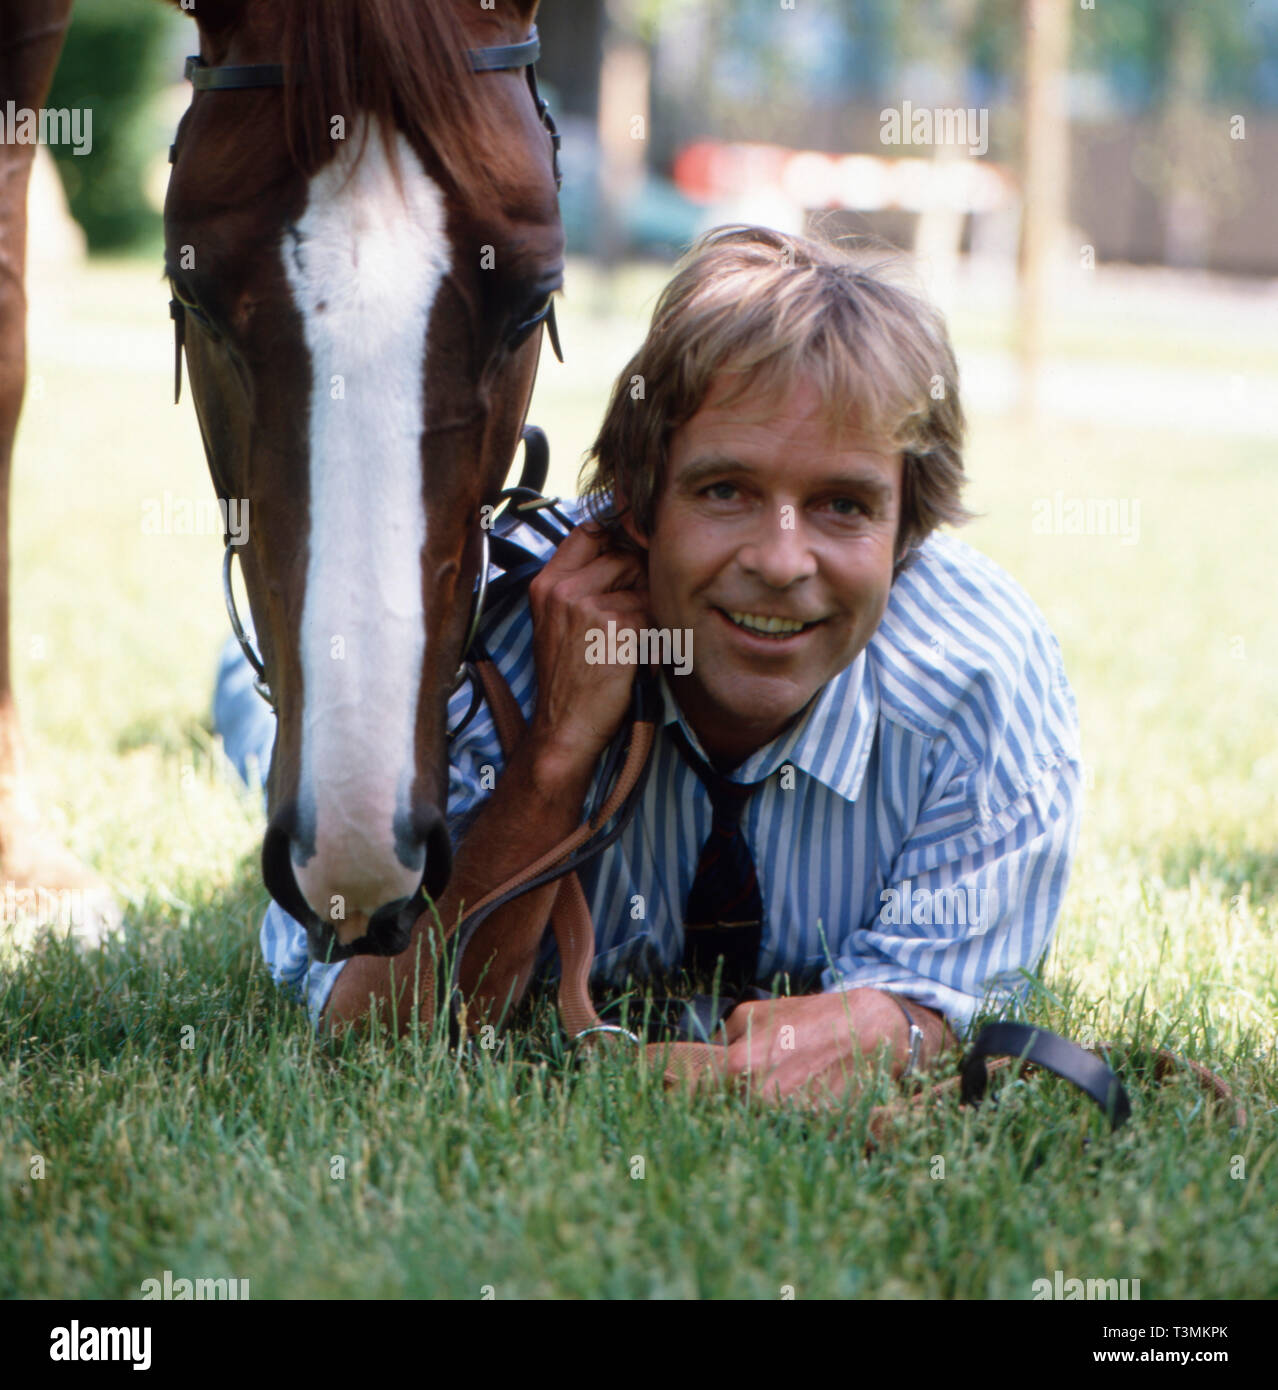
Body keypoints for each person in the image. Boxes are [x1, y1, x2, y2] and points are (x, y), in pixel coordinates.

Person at [216, 225, 1082, 1103]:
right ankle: (237, 683)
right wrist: (552, 758)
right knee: (265, 737)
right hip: (359, 697)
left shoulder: (982, 680)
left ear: (909, 533)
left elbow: (944, 999)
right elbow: (367, 1034)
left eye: (843, 505)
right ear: (634, 505)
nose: (782, 563)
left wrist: (901, 1027)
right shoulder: (489, 639)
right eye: (725, 491)